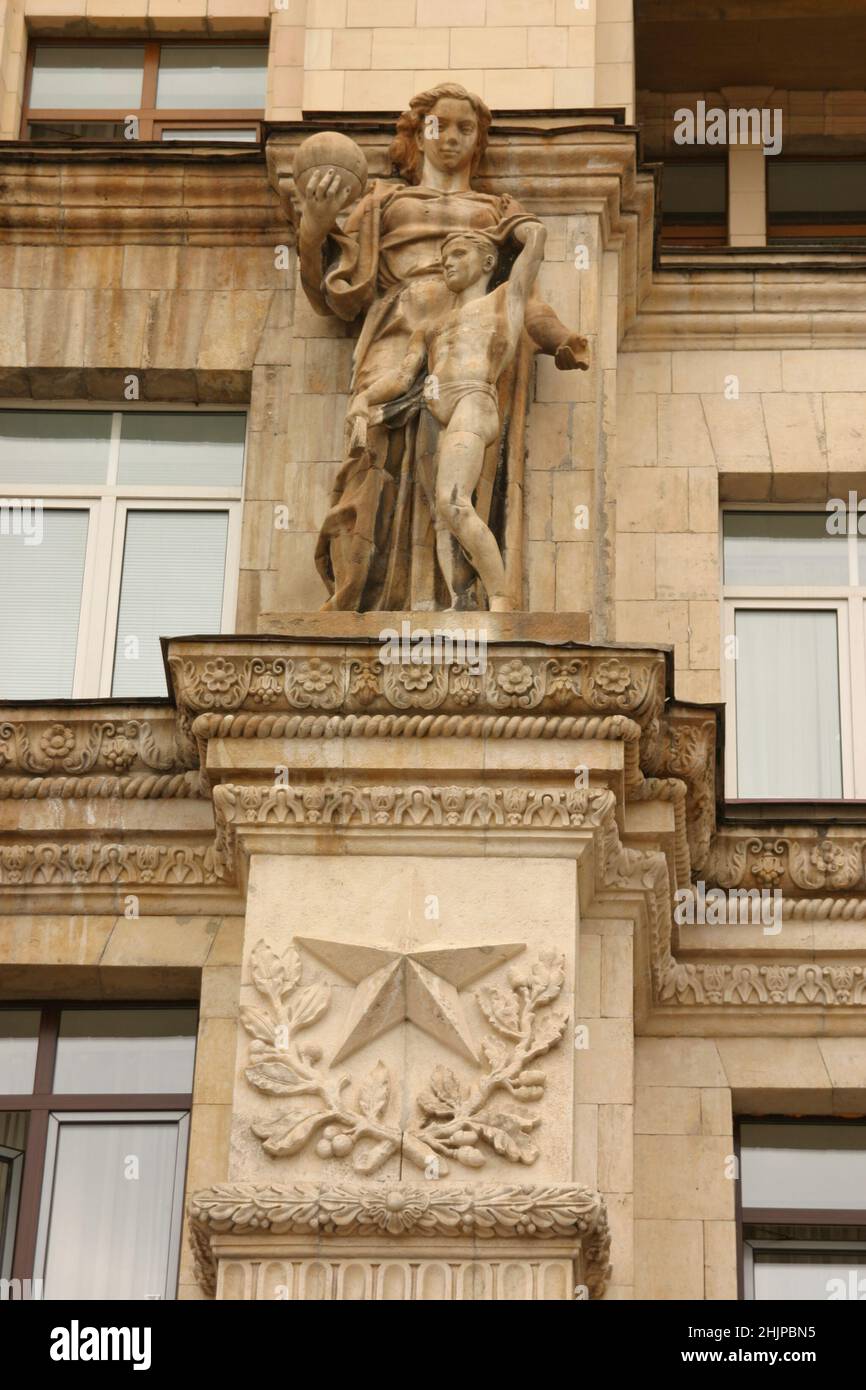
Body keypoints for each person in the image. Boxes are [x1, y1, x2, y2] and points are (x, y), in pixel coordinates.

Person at [296, 83, 589, 611]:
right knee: (373, 449)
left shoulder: (496, 210)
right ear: (418, 134)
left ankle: (450, 597)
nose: (450, 137)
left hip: (468, 343)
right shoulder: (385, 202)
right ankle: (365, 595)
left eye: (464, 128)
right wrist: (314, 231)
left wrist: (562, 340)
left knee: (448, 472)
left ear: (479, 140)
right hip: (396, 331)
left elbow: (525, 302)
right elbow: (335, 298)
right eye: (438, 125)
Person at [348, 223, 547, 612]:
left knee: (453, 500)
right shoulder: (429, 327)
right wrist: (365, 399)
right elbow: (404, 377)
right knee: (440, 516)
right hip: (432, 410)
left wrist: (509, 224)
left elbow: (536, 241)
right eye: (444, 259)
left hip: (474, 399)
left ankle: (502, 601)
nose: (447, 264)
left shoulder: (505, 299)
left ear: (488, 261)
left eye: (458, 255)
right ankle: (461, 602)